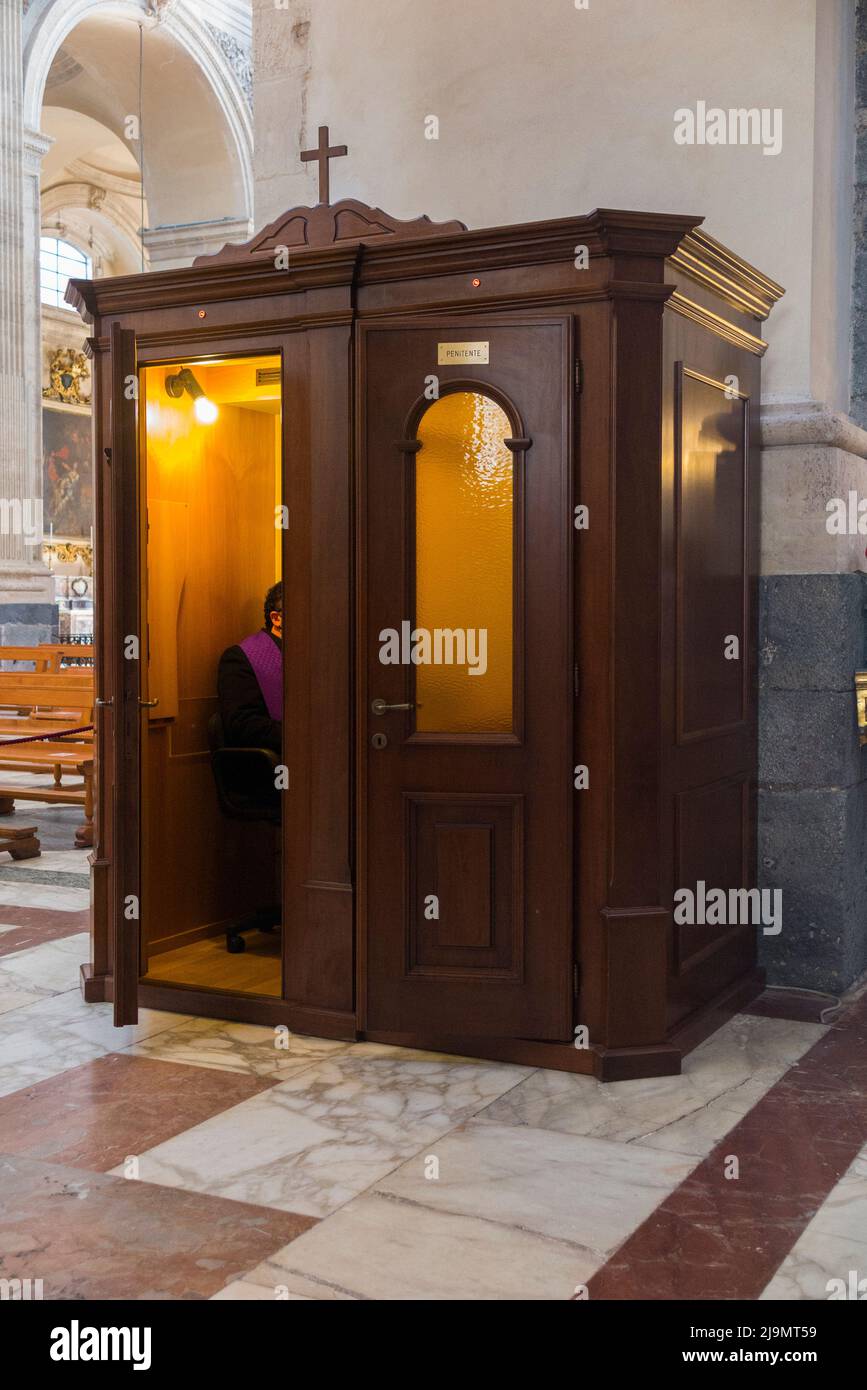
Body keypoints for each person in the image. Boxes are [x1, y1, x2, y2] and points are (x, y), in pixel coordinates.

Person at [217, 581, 282, 755]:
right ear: (276, 618)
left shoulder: (318, 657)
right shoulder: (240, 658)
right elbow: (243, 726)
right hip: (278, 764)